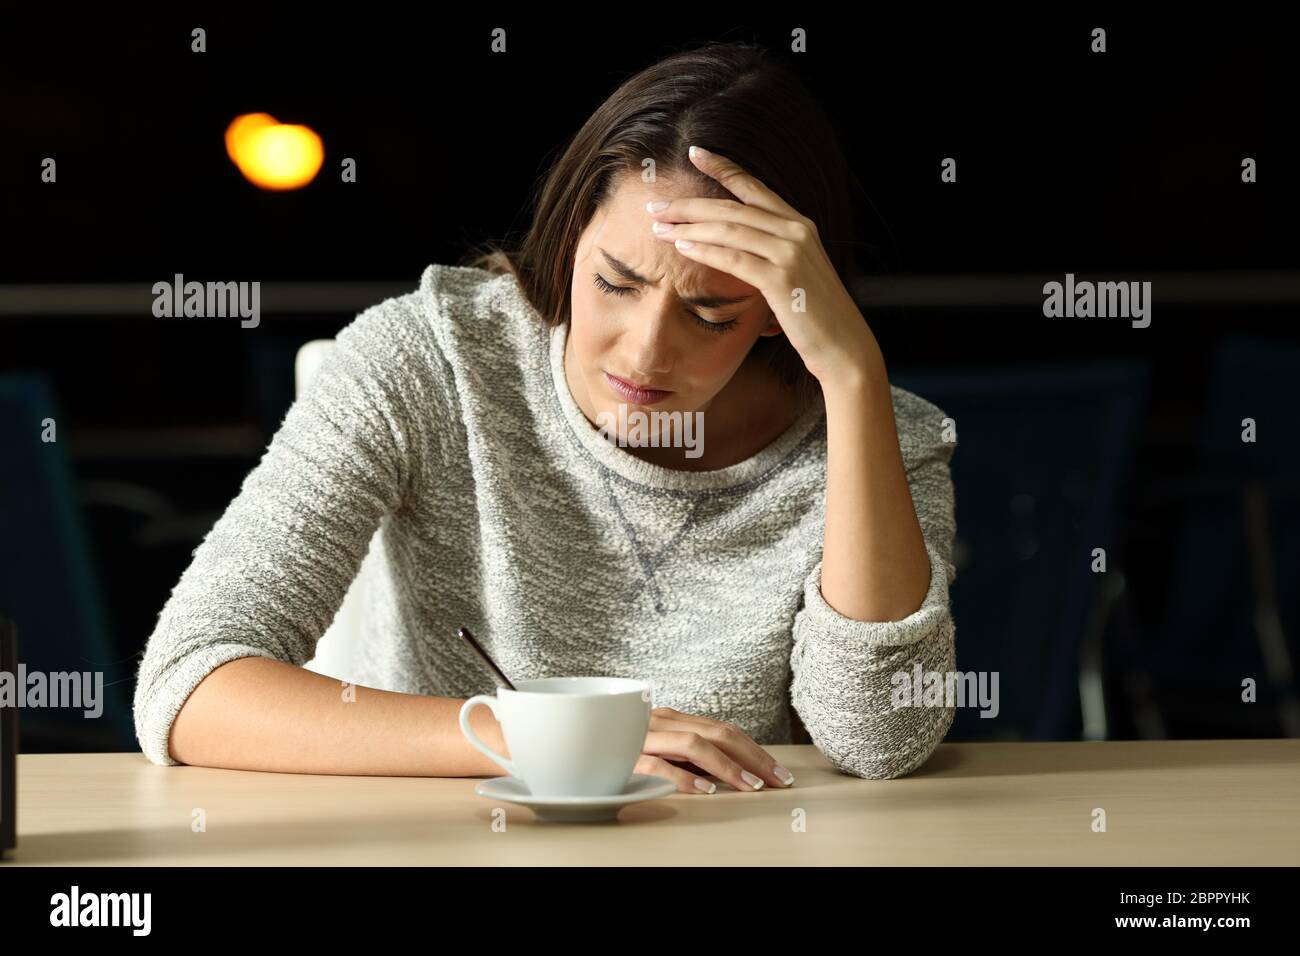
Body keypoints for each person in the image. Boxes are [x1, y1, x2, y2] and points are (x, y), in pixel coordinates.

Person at [133, 40, 958, 793]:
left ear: (779, 310)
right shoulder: (430, 364)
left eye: (712, 315)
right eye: (616, 284)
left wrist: (854, 378)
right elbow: (190, 681)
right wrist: (545, 739)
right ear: (568, 241)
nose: (643, 355)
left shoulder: (875, 442)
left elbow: (880, 738)